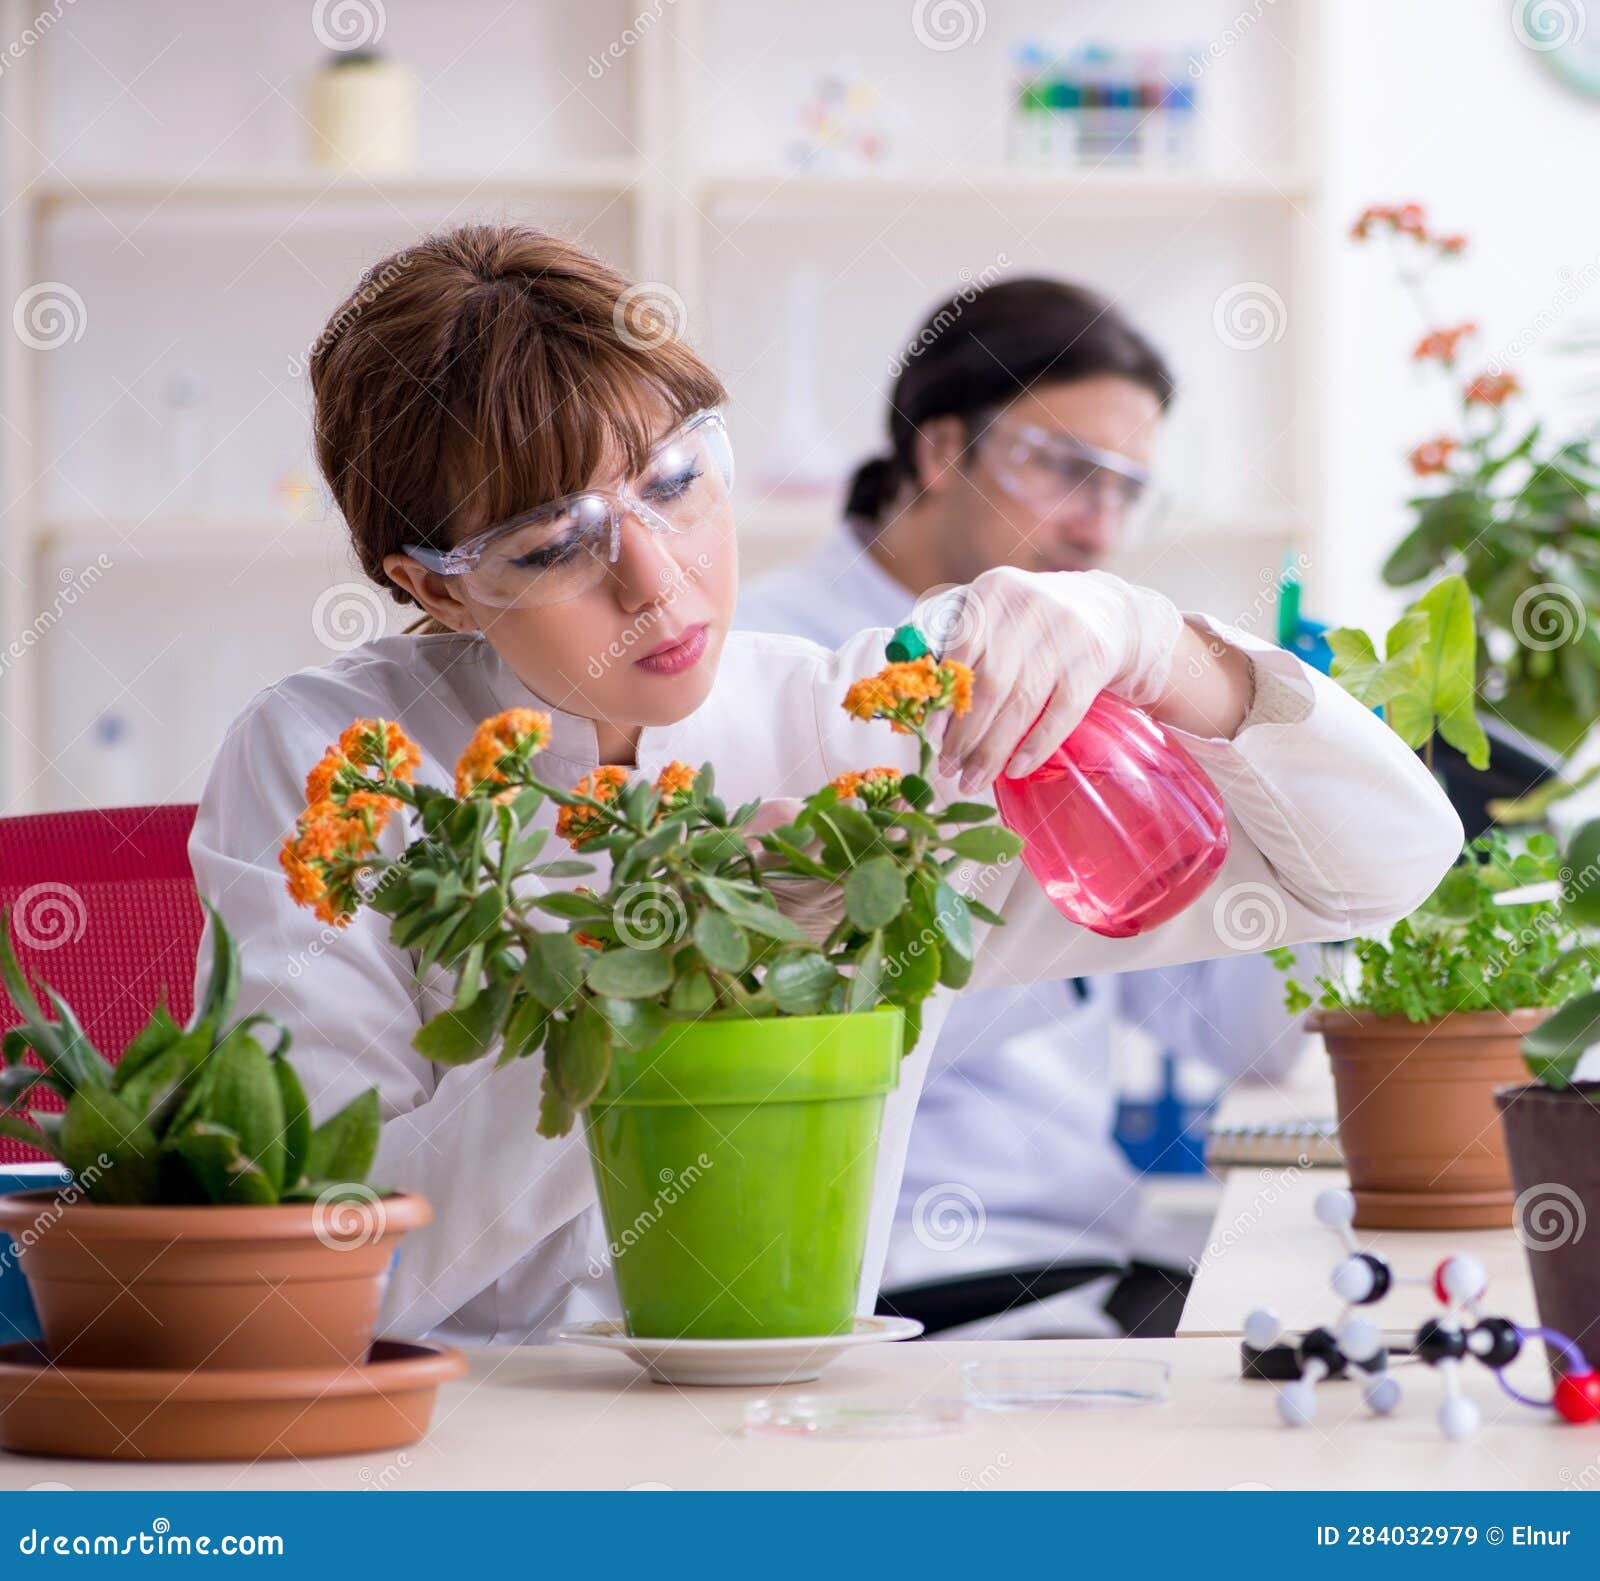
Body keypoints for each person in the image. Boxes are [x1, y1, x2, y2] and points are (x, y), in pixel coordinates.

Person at [188, 226, 1462, 1348]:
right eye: (553, 548)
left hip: (796, 1426)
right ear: (436, 585)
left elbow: (1379, 864)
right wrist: (686, 976)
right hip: (464, 1451)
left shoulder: (850, 727)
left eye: (676, 487)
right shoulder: (331, 761)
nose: (659, 585)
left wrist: (1150, 644)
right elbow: (321, 1274)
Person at [737, 277, 1312, 1337]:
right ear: (940, 450)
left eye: (1128, 488)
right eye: (1065, 469)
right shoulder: (766, 665)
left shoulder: (1087, 676)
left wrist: (1296, 815)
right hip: (886, 1274)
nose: (1098, 525)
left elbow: (1234, 1037)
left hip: (1086, 1245)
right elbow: (763, 1025)